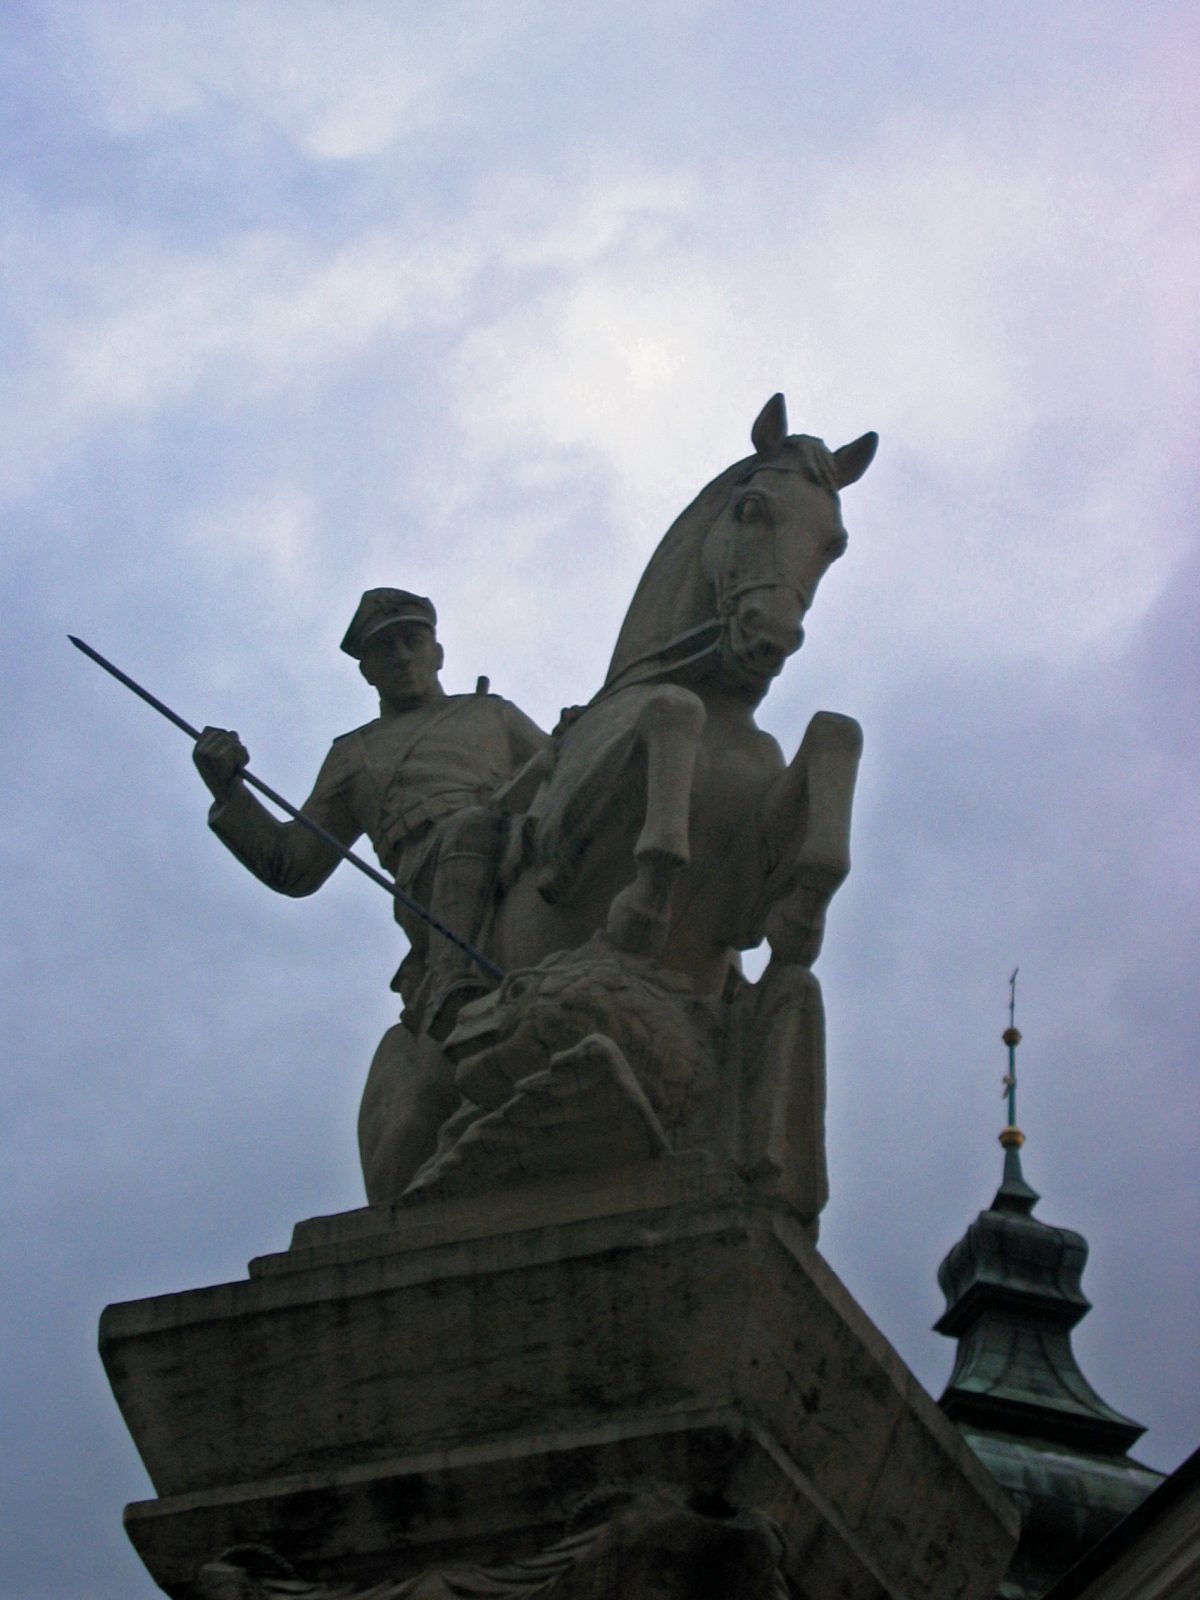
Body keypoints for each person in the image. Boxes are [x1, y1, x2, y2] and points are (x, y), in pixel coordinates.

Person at [193, 588, 548, 1035]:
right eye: (383, 649)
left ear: (436, 652)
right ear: (367, 672)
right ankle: (451, 982)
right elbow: (293, 865)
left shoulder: (493, 714)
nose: (401, 657)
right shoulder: (353, 755)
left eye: (411, 641)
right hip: (430, 881)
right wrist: (229, 793)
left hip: (516, 839)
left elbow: (557, 767)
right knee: (469, 825)